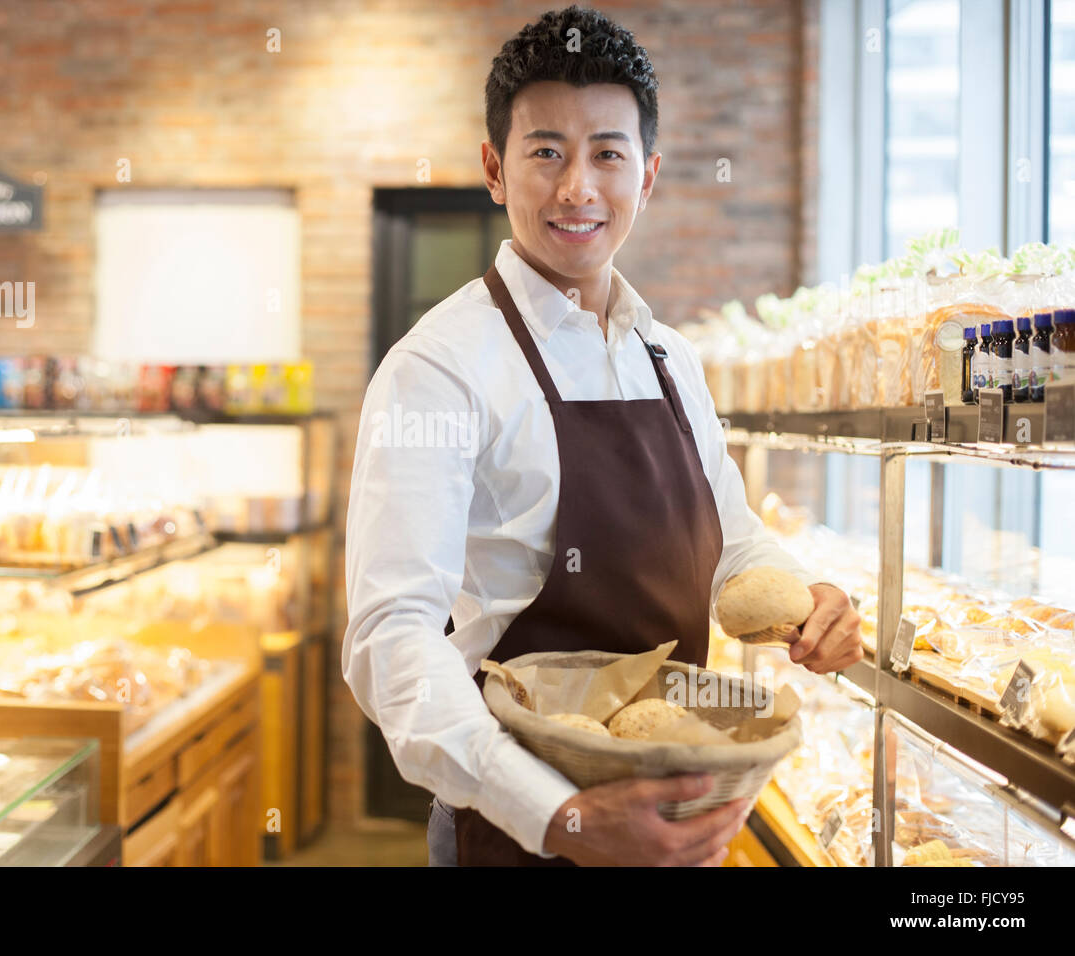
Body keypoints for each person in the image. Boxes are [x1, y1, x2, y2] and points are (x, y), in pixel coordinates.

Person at [342, 4, 861, 867]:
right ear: (494, 169)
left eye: (608, 155)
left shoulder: (670, 358)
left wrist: (807, 601)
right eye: (546, 151)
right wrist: (561, 816)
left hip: (679, 817)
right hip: (518, 834)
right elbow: (390, 639)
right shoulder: (437, 367)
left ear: (647, 176)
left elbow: (730, 542)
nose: (578, 188)